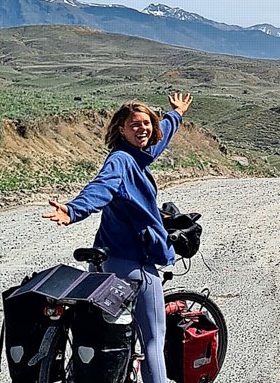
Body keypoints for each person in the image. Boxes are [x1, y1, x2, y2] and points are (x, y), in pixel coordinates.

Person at [42, 92, 193, 383]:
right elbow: (101, 188)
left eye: (147, 123)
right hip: (132, 266)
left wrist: (176, 114)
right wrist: (73, 210)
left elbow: (158, 141)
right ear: (120, 129)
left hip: (104, 263)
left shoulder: (139, 155)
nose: (143, 129)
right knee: (153, 341)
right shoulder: (121, 162)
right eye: (134, 124)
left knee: (104, 335)